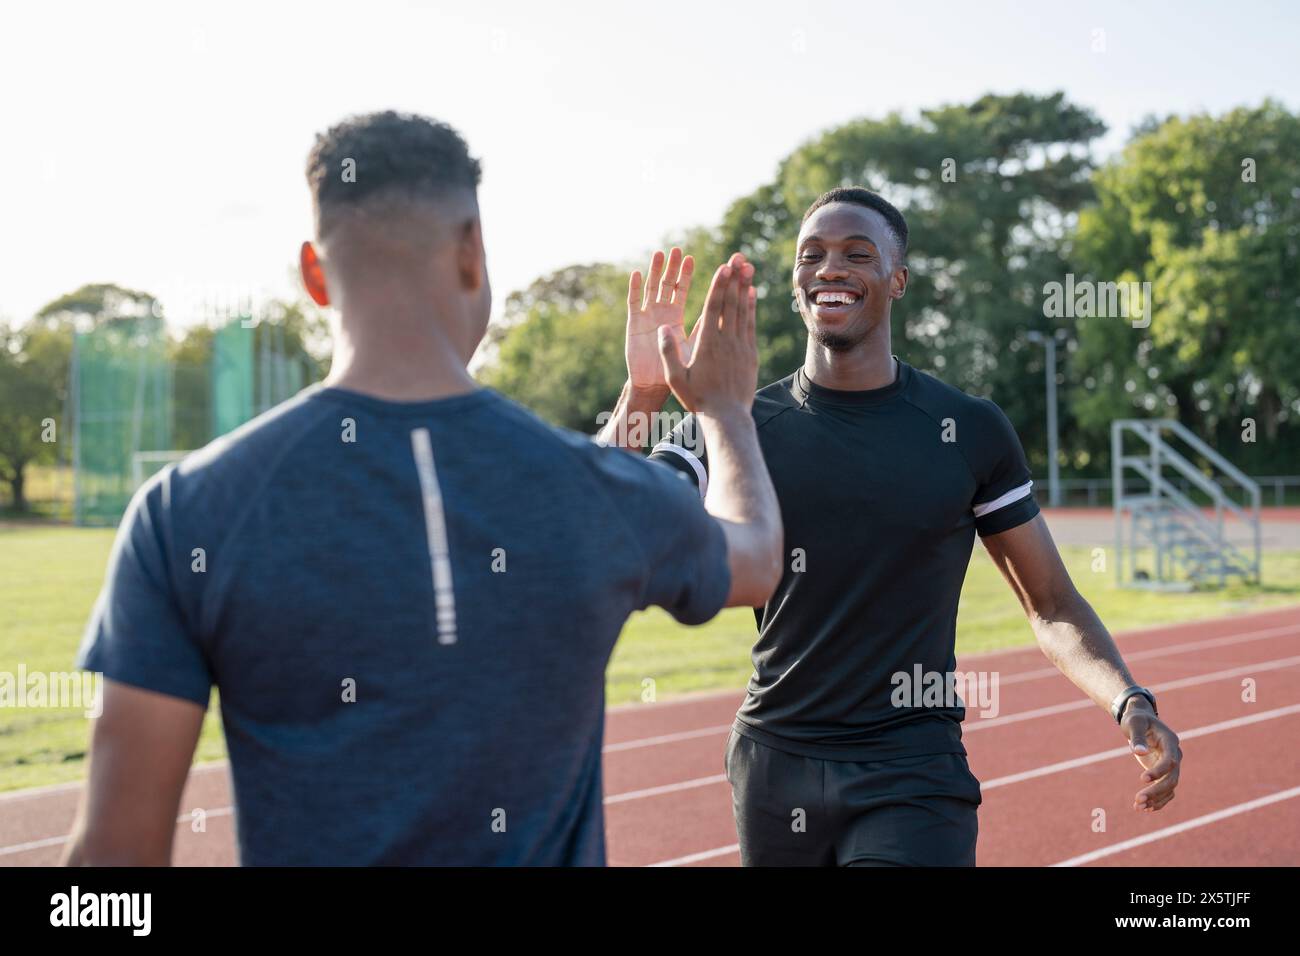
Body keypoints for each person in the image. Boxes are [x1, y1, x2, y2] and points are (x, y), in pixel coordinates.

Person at [63, 111, 781, 866]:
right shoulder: (590, 494)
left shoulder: (184, 511)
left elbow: (113, 864)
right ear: (472, 249)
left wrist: (639, 402)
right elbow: (757, 555)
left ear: (313, 274)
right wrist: (726, 411)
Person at [600, 187, 1183, 866]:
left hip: (912, 770)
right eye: (811, 254)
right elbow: (608, 519)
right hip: (772, 763)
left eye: (856, 253)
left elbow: (1050, 603)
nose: (830, 268)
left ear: (896, 279)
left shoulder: (968, 428)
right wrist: (642, 392)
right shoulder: (735, 420)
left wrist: (1127, 700)